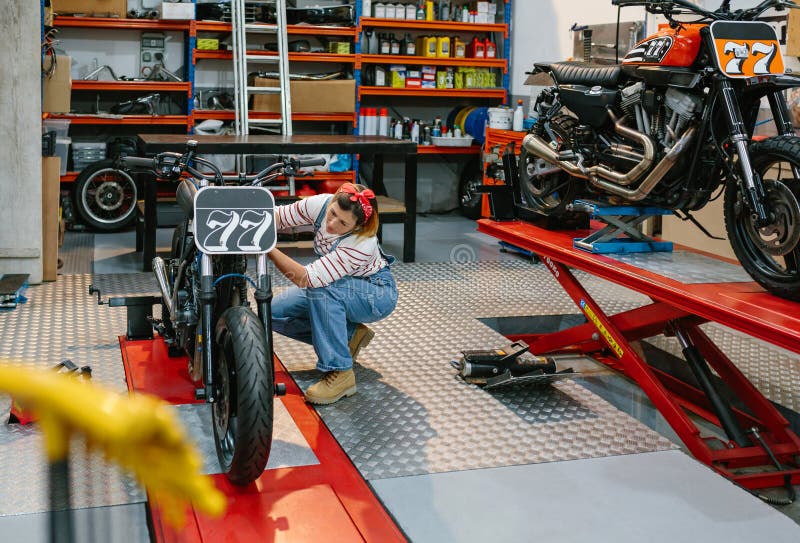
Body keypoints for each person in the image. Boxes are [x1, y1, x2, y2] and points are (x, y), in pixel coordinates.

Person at [268, 183, 398, 405]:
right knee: (270, 313)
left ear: (358, 226)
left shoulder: (361, 243)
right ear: (333, 201)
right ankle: (348, 336)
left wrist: (268, 248)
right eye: (333, 213)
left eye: (343, 223)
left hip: (374, 293)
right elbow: (278, 217)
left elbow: (306, 278)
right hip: (338, 285)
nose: (331, 223)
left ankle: (341, 372)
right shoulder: (321, 204)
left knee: (321, 288)